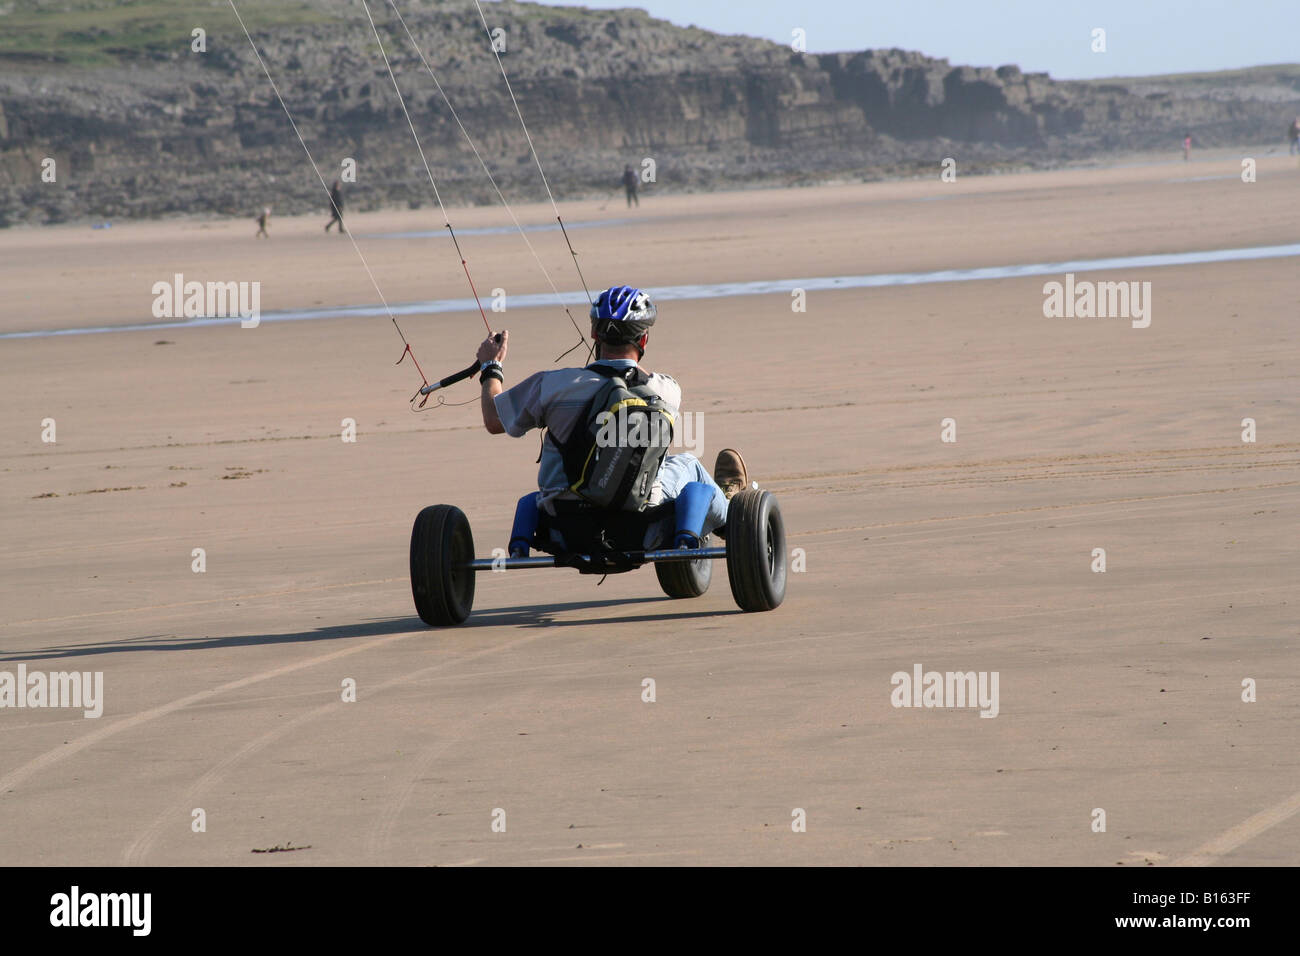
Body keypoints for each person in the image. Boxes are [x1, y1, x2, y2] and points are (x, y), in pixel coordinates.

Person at [475, 285, 748, 556]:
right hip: (643, 526)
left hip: (563, 526)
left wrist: (491, 367)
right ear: (644, 339)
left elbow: (494, 419)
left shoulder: (552, 386)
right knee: (689, 464)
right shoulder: (667, 391)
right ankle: (732, 516)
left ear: (595, 333)